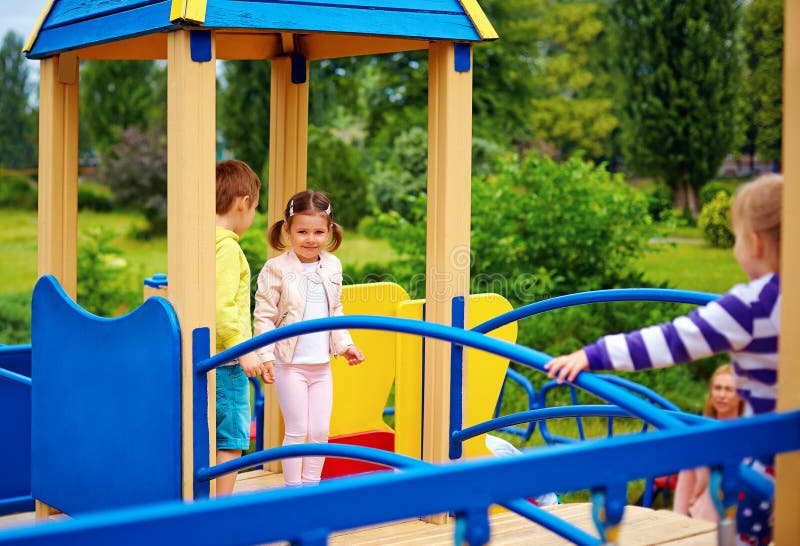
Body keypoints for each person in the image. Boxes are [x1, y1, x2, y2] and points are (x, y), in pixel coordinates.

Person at [545, 174, 782, 545]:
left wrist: (593, 354)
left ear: (754, 242)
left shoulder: (754, 305)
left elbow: (672, 340)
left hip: (769, 455)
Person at [253, 190, 365, 487]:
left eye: (318, 232)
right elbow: (264, 316)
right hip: (290, 365)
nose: (310, 239)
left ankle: (311, 486)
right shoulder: (276, 269)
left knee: (319, 431)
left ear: (330, 231)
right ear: (287, 230)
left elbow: (335, 310)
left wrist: (345, 344)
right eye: (302, 231)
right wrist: (265, 356)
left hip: (321, 366)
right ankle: (293, 490)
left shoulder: (332, 265)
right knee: (297, 429)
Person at [214, 159, 274, 496]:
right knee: (231, 438)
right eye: (255, 208)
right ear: (243, 203)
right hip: (227, 362)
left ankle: (202, 503)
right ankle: (218, 509)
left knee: (204, 436)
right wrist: (244, 351)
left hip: (205, 357)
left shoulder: (199, 244)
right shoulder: (227, 248)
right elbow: (221, 309)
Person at [672, 364, 743, 522]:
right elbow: (686, 482)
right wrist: (678, 521)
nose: (722, 395)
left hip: (736, 517)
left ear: (740, 395)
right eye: (717, 388)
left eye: (729, 389)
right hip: (701, 517)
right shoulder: (701, 431)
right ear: (711, 392)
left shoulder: (748, 432)